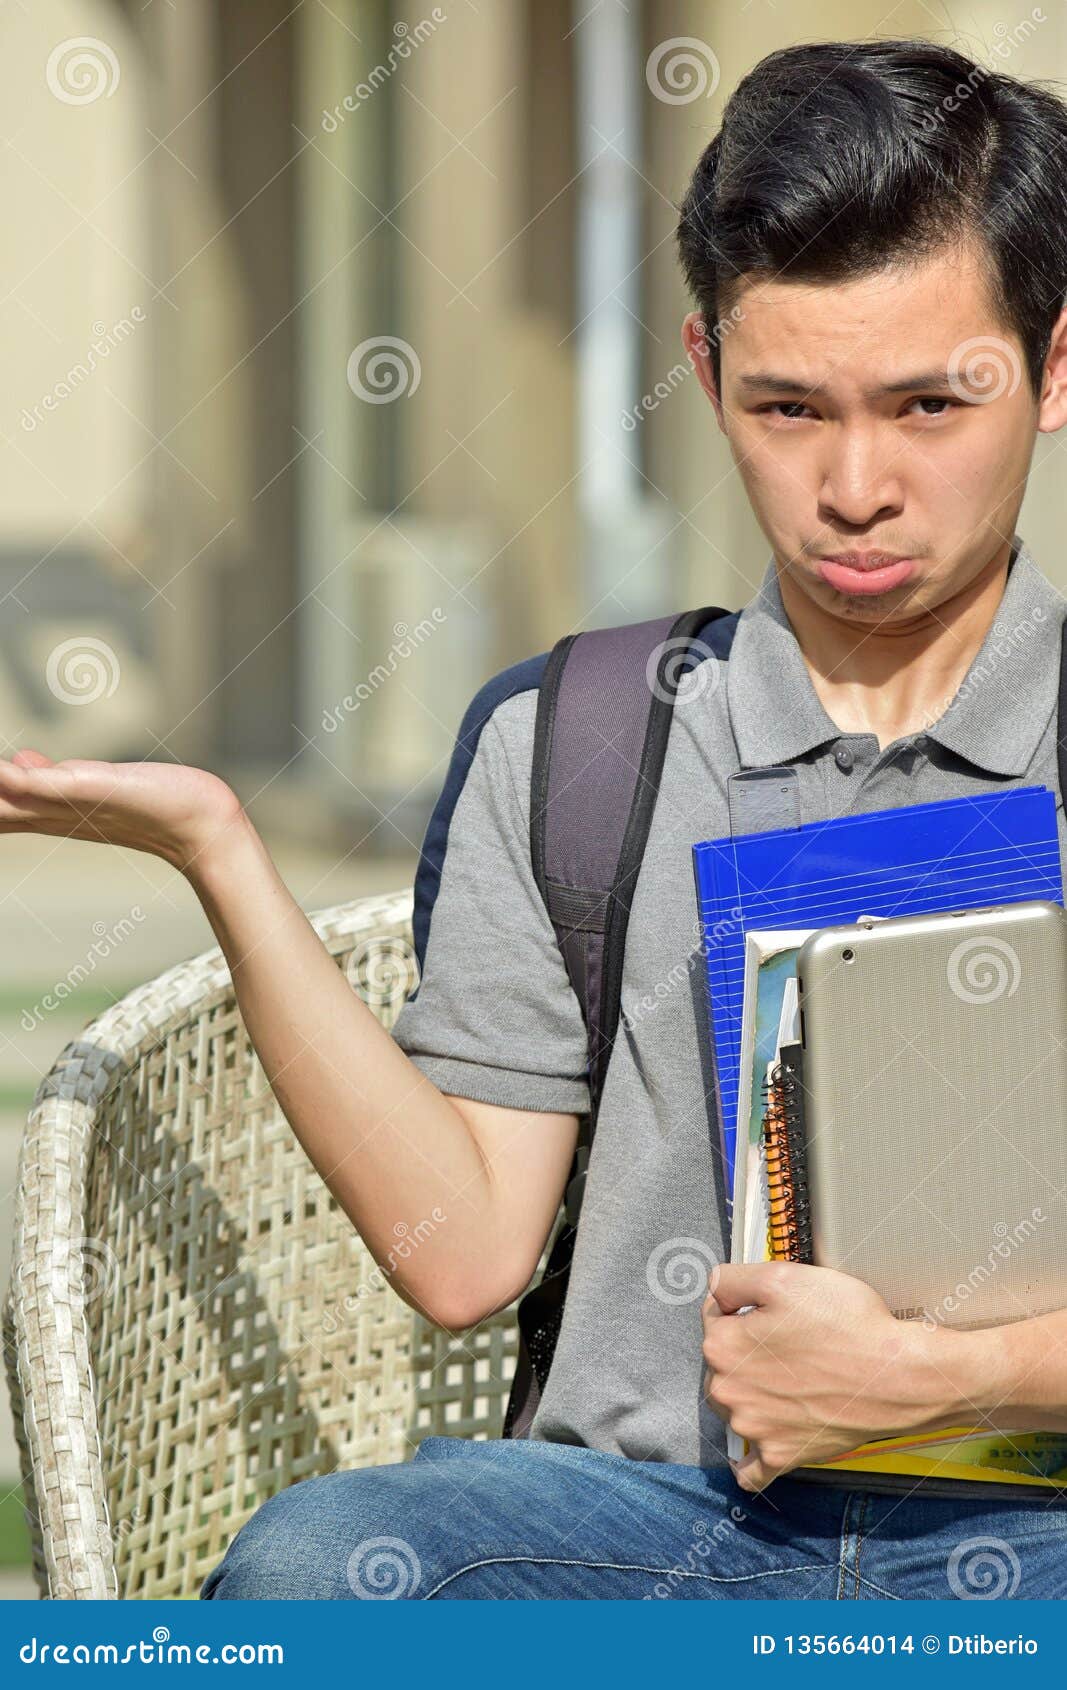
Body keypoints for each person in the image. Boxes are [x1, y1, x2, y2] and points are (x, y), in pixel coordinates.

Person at [4, 36, 1067, 1601]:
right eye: (788, 406)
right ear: (704, 373)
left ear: (1053, 372)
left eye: (927, 404)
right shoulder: (573, 743)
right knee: (316, 1574)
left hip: (1037, 1542)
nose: (854, 484)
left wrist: (939, 1380)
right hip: (648, 1530)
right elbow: (458, 1254)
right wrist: (220, 849)